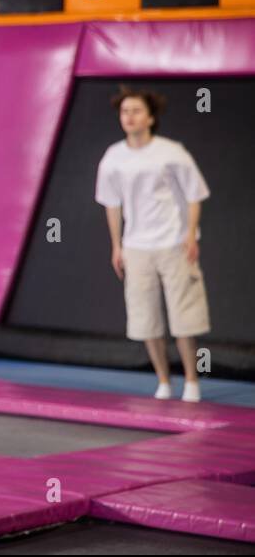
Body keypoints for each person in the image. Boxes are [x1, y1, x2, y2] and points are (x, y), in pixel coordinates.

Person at [96, 87, 211, 402]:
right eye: (124, 111)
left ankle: (191, 381)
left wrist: (190, 235)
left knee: (184, 315)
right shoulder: (113, 157)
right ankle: (163, 380)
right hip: (137, 246)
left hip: (173, 243)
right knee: (144, 316)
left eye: (135, 111)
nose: (129, 116)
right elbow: (111, 203)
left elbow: (194, 195)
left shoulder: (171, 152)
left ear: (150, 117)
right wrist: (117, 245)